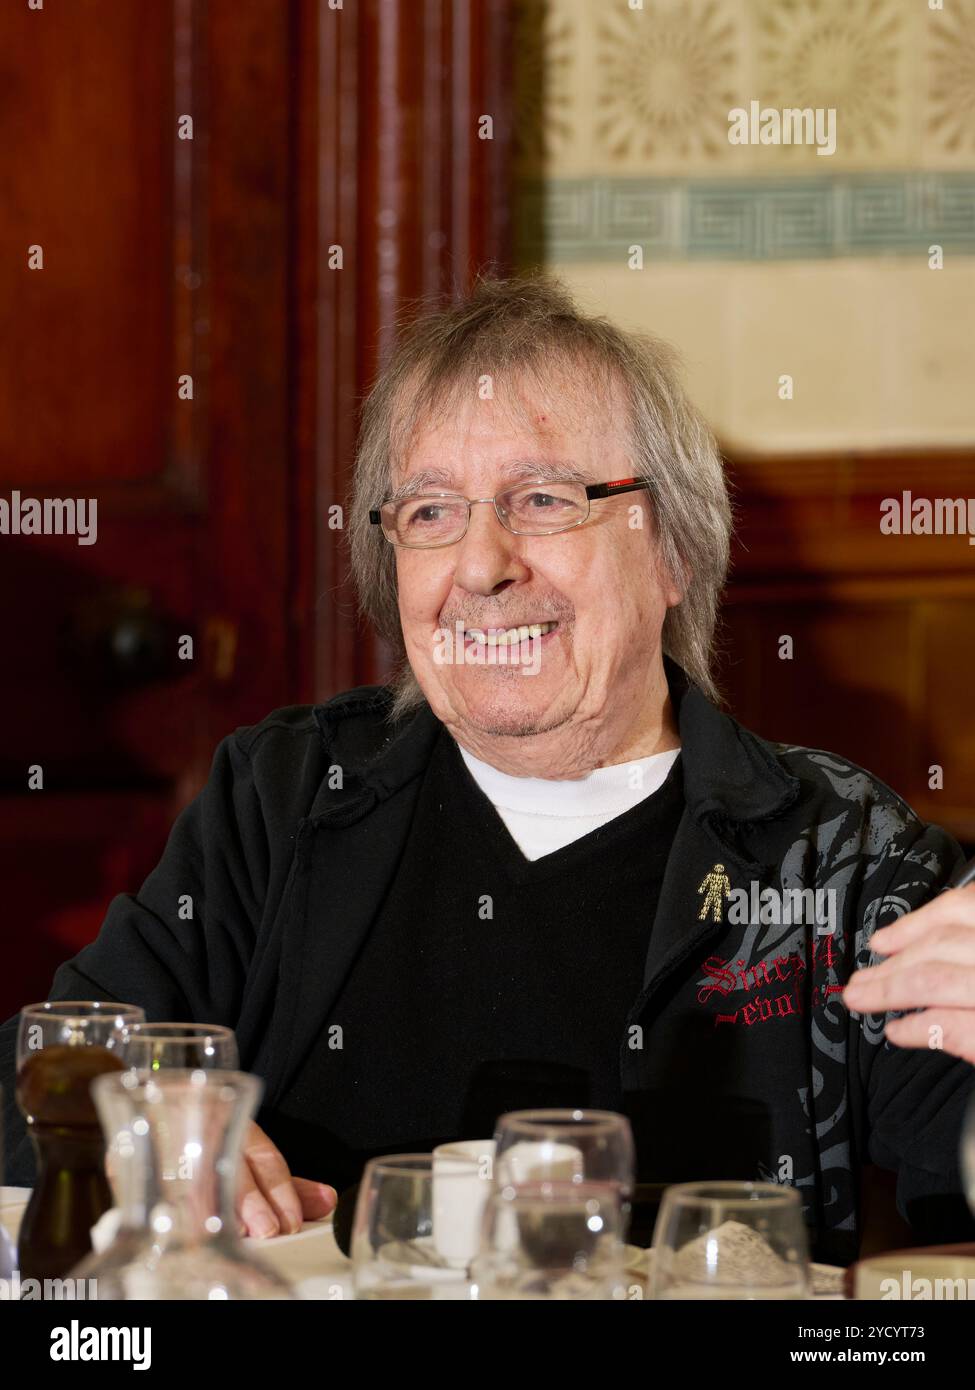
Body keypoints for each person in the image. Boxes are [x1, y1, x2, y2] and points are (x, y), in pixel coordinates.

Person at [3, 277, 974, 1264]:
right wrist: (133, 1135)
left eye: (543, 500)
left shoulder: (842, 859)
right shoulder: (289, 795)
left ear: (673, 551)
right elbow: (45, 1071)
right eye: (430, 512)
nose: (480, 566)